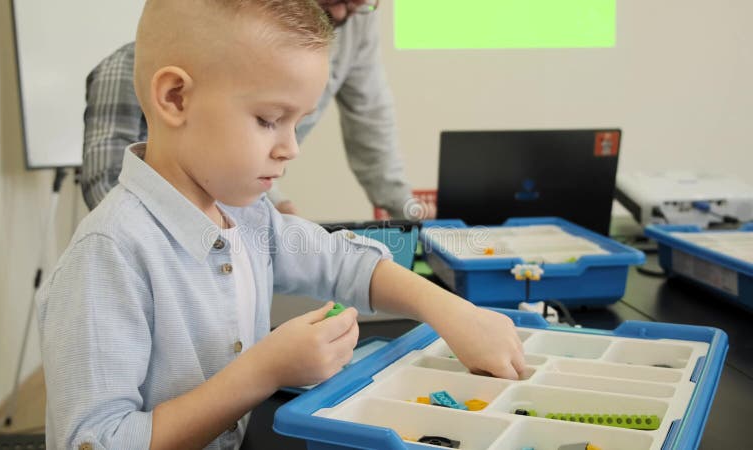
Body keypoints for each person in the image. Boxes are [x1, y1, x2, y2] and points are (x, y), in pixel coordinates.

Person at [38, 1, 525, 448]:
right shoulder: (109, 255)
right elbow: (96, 440)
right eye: (270, 119)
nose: (291, 148)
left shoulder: (249, 214)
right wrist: (265, 370)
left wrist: (454, 312)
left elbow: (342, 262)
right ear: (176, 98)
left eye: (298, 122)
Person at [81, 0, 435, 219]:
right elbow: (109, 192)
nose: (343, 15)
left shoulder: (255, 222)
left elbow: (371, 117)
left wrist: (406, 206)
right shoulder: (117, 243)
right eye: (268, 119)